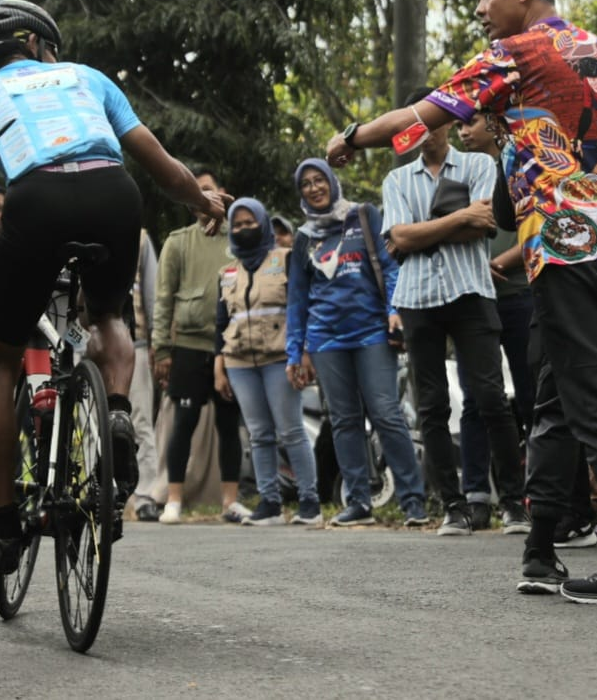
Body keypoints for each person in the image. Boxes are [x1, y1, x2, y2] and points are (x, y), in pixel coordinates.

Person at [326, 0, 597, 603]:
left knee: (595, 405)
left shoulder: (514, 55)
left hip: (565, 252)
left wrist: (354, 135)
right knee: (558, 401)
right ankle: (539, 552)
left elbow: (422, 118)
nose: (479, 8)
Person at [0, 0, 228, 572]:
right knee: (108, 319)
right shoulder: (87, 77)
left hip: (37, 197)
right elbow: (163, 166)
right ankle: (116, 410)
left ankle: (2, 525)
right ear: (33, 42)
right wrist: (203, 201)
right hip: (111, 191)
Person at [372, 86, 528, 537]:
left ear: (445, 122)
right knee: (432, 407)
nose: (422, 131)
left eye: (430, 121)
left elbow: (485, 223)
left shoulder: (480, 165)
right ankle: (453, 505)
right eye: (412, 124)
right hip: (417, 300)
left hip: (471, 293)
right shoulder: (396, 180)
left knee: (492, 399)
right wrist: (455, 221)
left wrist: (421, 233)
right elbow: (398, 239)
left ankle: (514, 504)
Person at [285, 158, 429, 528]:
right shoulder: (303, 237)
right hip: (324, 339)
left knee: (386, 413)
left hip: (370, 333)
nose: (315, 188)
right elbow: (298, 298)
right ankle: (359, 501)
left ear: (332, 181)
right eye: (307, 184)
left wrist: (394, 307)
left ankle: (414, 501)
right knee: (345, 420)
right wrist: (295, 351)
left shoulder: (363, 216)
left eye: (320, 180)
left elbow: (388, 265)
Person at [214, 198, 321, 527]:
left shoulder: (287, 259)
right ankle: (270, 503)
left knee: (291, 431)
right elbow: (220, 322)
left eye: (250, 222)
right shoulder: (226, 272)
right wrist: (219, 364)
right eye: (238, 224)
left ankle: (309, 503)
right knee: (258, 434)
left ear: (262, 223)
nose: (244, 229)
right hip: (238, 361)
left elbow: (306, 305)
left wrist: (304, 352)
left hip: (280, 357)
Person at [151, 169, 248, 525]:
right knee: (184, 421)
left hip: (231, 345)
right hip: (189, 345)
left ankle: (230, 502)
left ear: (222, 193)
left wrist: (235, 215)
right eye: (194, 191)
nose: (200, 196)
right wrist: (162, 349)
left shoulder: (238, 236)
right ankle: (173, 499)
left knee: (228, 423)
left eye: (206, 190)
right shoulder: (178, 242)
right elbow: (162, 299)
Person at [454, 112, 533, 531]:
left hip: (520, 291)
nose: (464, 131)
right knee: (476, 399)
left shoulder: (520, 162)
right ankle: (476, 497)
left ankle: (533, 494)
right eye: (459, 125)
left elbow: (541, 223)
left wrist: (500, 261)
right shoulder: (459, 173)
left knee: (531, 393)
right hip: (473, 298)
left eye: (473, 122)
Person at [126, 228, 161, 521]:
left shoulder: (139, 237)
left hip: (134, 340)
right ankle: (95, 492)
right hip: (84, 343)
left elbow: (152, 292)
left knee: (140, 420)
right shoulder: (71, 222)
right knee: (88, 425)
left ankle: (146, 495)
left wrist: (156, 342)